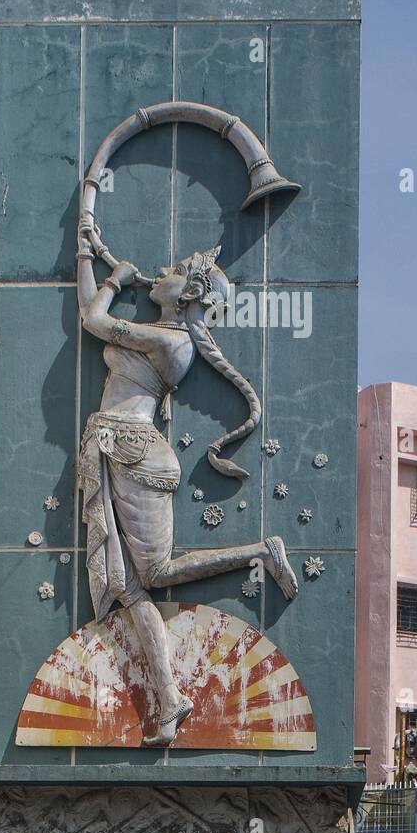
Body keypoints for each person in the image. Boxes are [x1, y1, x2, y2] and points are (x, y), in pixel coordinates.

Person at [76, 212, 298, 747]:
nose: (163, 271)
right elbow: (91, 314)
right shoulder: (161, 333)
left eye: (174, 270)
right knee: (128, 587)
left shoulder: (173, 343)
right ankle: (170, 698)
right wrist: (86, 251)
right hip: (113, 448)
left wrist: (112, 279)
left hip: (133, 451)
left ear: (188, 292)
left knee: (156, 573)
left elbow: (93, 320)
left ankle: (260, 553)